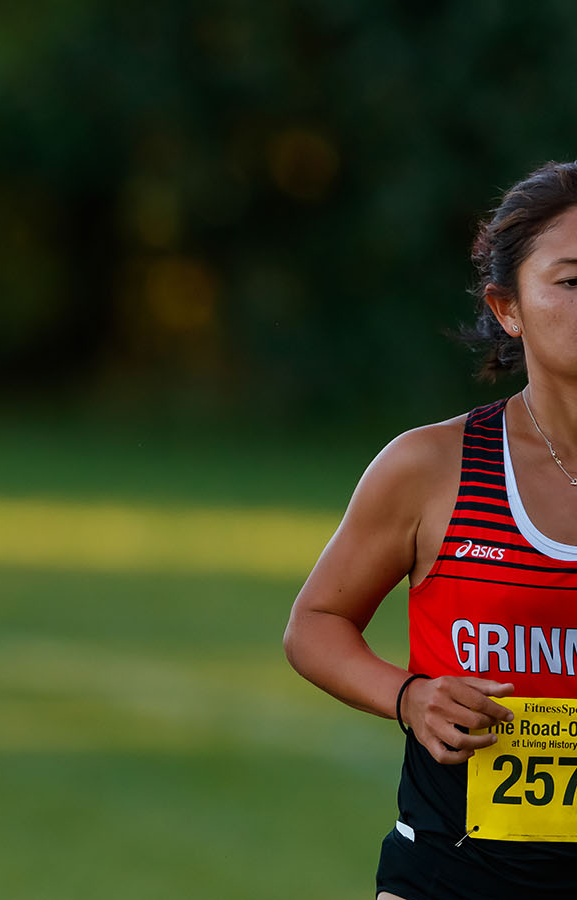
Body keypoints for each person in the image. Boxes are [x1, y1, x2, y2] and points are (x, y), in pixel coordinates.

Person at [284, 161, 577, 899]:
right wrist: (410, 696)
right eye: (572, 281)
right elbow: (315, 624)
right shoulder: (432, 466)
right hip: (453, 876)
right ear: (506, 308)